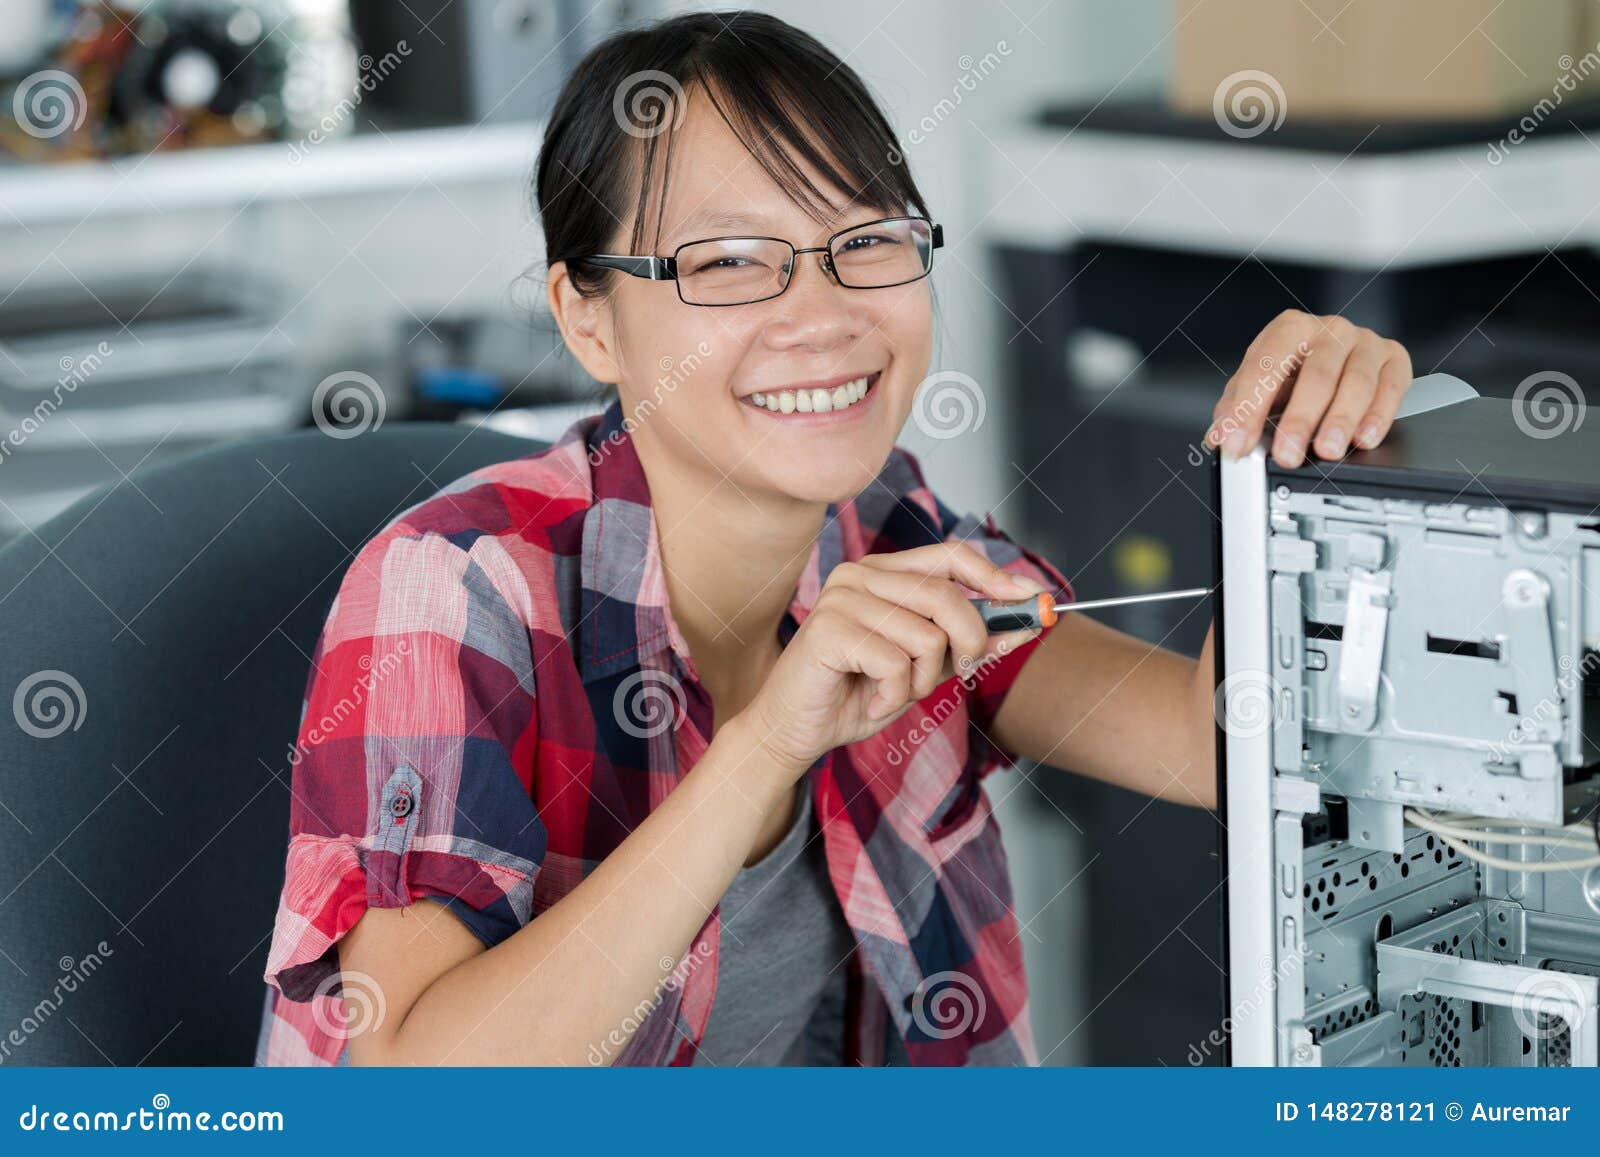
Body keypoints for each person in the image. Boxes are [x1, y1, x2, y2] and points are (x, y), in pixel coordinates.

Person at [255, 10, 1414, 1066]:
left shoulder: (885, 527)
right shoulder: (450, 590)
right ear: (587, 318)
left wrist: (1302, 465)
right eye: (729, 263)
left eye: (867, 239)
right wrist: (764, 747)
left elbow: (1222, 746)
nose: (823, 315)